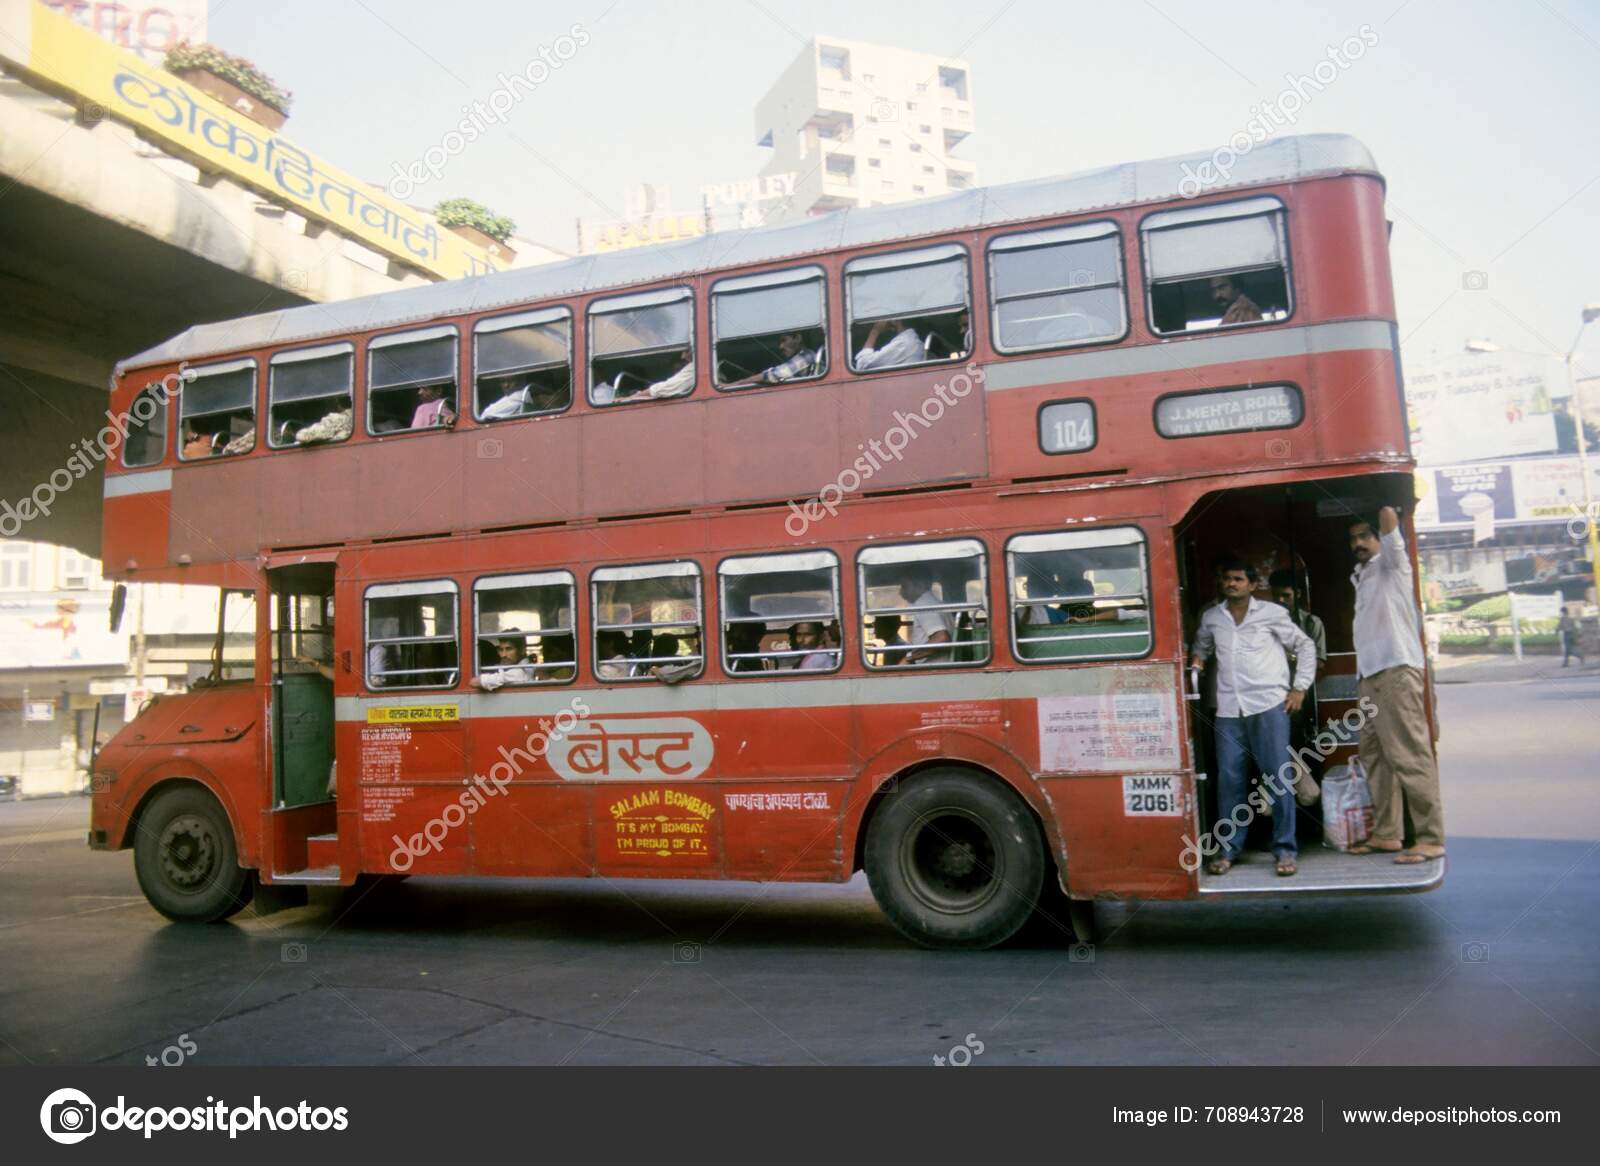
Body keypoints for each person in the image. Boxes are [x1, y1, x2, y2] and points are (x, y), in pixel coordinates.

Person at [1190, 553, 1317, 878]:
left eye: (1238, 579)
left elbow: (1305, 646)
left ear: (1253, 584)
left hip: (1269, 705)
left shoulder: (1272, 613)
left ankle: (1285, 849)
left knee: (1277, 780)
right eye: (1227, 579)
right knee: (1229, 781)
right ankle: (1229, 848)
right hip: (1230, 710)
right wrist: (1198, 662)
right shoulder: (1212, 617)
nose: (1231, 584)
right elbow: (1202, 646)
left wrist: (1299, 687)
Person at [1346, 506, 1446, 864]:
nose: (1357, 543)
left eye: (1364, 536)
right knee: (1376, 756)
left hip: (1396, 671)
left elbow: (1389, 524)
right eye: (1353, 538)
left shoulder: (1392, 565)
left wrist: (1384, 502)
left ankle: (1431, 838)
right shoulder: (1361, 576)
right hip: (1370, 675)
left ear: (1378, 539)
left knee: (1408, 754)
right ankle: (1388, 834)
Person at [1269, 570, 1327, 669]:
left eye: (1286, 596)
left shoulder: (1311, 622)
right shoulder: (1264, 621)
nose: (1280, 600)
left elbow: (1319, 662)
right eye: (1276, 595)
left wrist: (1290, 657)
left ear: (1298, 593)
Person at [897, 565, 954, 664]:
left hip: (933, 670)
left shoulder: (923, 604)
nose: (901, 592)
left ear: (920, 584)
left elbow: (942, 638)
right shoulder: (935, 602)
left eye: (905, 586)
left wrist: (909, 658)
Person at [724, 333, 818, 388]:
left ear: (797, 338)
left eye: (784, 340)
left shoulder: (807, 356)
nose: (780, 347)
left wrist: (737, 383)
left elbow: (774, 374)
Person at [854, 318, 923, 371]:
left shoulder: (903, 343)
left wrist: (875, 330)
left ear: (895, 320)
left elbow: (862, 364)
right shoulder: (911, 339)